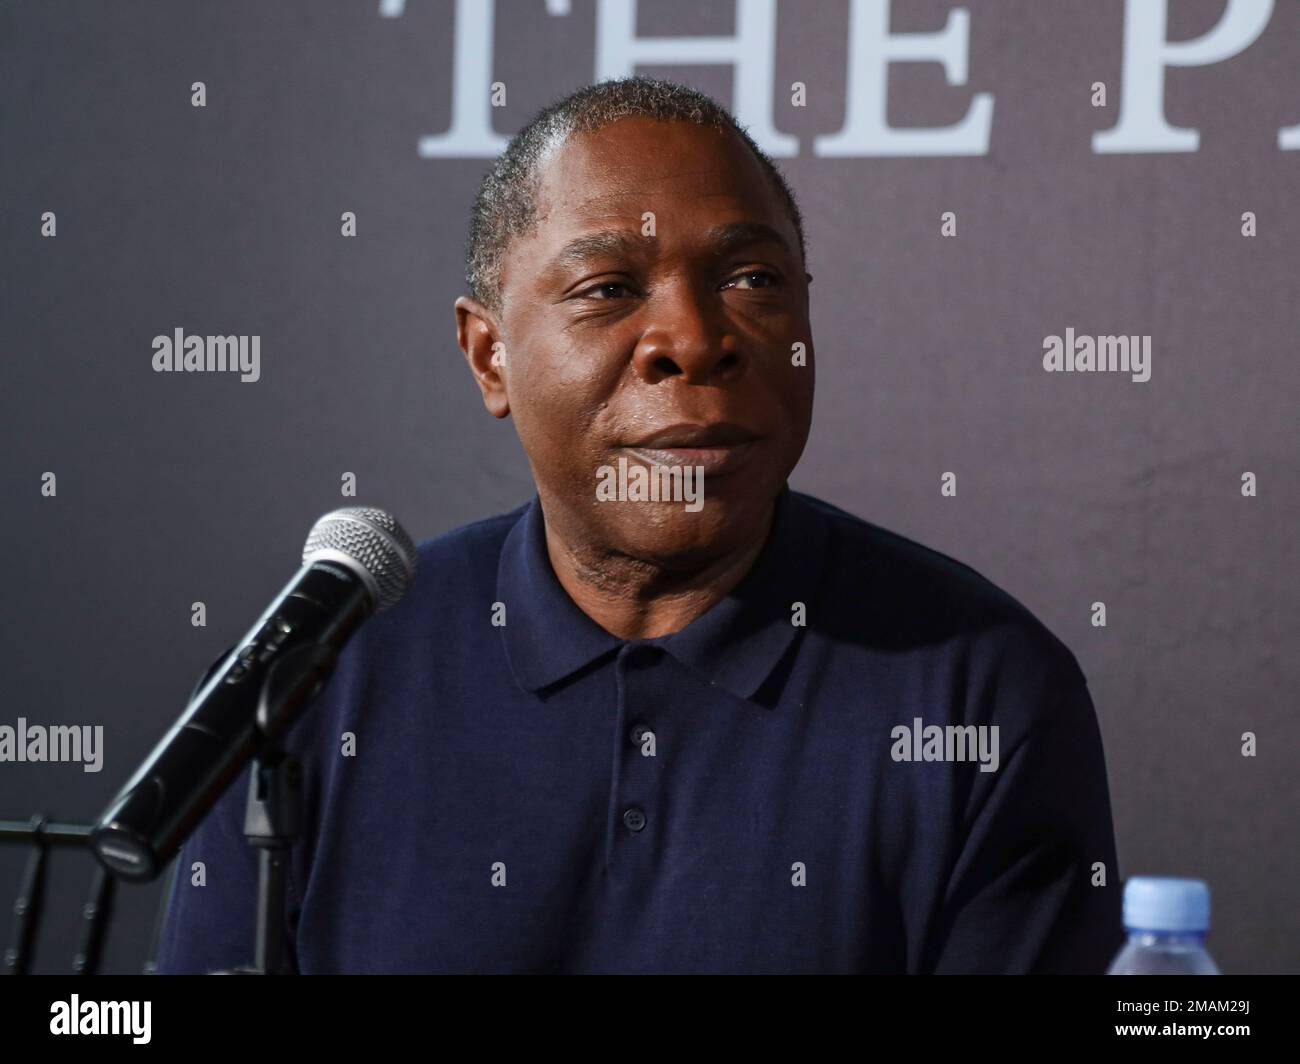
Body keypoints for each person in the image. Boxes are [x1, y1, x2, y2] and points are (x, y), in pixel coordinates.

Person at [154, 75, 1123, 974]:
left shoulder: (982, 691)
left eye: (751, 279)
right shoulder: (311, 684)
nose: (695, 339)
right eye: (609, 288)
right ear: (489, 356)